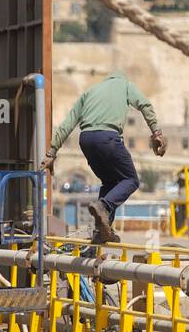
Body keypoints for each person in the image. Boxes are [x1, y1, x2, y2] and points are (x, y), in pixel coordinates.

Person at [41, 72, 167, 244]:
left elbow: (68, 122)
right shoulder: (125, 85)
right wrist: (156, 133)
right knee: (131, 180)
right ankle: (104, 206)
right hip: (107, 138)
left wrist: (52, 152)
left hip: (85, 140)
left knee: (110, 183)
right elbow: (144, 105)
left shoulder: (90, 92)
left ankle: (101, 232)